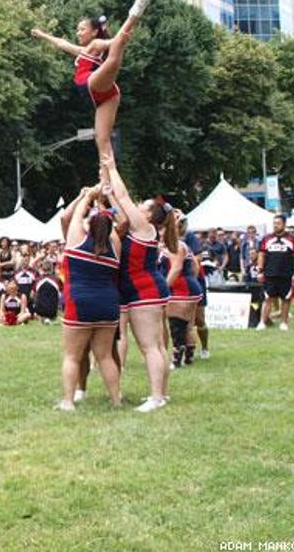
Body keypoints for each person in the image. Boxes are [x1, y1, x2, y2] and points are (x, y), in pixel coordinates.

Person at [31, 0, 150, 162]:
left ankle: (134, 15)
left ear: (94, 32)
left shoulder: (96, 44)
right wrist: (42, 35)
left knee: (115, 54)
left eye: (82, 29)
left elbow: (112, 43)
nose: (78, 33)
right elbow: (62, 43)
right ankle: (108, 176)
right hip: (101, 96)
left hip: (93, 83)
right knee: (102, 140)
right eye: (77, 29)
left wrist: (120, 39)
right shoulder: (83, 51)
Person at [101, 157, 172, 413]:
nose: (138, 206)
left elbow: (124, 197)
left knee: (150, 346)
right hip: (145, 290)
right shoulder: (140, 227)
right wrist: (109, 194)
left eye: (144, 205)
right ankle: (162, 393)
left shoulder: (144, 226)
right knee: (157, 345)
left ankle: (156, 397)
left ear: (149, 215)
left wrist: (112, 167)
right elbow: (119, 207)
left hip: (144, 291)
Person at [57, 187, 122, 410]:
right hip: (108, 304)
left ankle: (68, 401)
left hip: (80, 302)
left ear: (90, 224)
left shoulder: (76, 239)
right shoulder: (115, 245)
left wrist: (87, 195)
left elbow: (73, 216)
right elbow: (109, 223)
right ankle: (116, 400)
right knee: (105, 357)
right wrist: (103, 199)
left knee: (72, 356)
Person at [164, 215, 203, 369]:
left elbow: (176, 268)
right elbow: (195, 266)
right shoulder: (183, 245)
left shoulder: (176, 246)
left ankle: (176, 359)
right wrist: (192, 280)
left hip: (181, 288)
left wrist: (164, 287)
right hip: (188, 286)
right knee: (188, 324)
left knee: (177, 324)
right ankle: (189, 356)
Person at [256, 214, 294, 331]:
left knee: (286, 299)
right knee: (267, 298)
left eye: (278, 223)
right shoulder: (266, 238)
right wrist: (260, 271)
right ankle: (262, 322)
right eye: (274, 223)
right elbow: (261, 254)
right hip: (269, 273)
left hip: (286, 274)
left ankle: (284, 323)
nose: (275, 225)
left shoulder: (291, 239)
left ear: (284, 224)